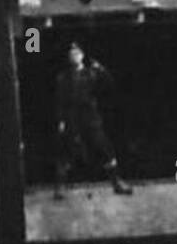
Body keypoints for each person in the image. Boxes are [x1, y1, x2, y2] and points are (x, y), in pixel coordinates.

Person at [54, 42, 131, 197]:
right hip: (72, 118)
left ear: (82, 56)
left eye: (77, 53)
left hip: (90, 117)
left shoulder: (91, 73)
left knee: (104, 148)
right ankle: (60, 187)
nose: (74, 56)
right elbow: (60, 101)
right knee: (67, 152)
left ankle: (116, 183)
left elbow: (109, 85)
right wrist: (61, 120)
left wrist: (101, 70)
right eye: (71, 54)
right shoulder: (63, 78)